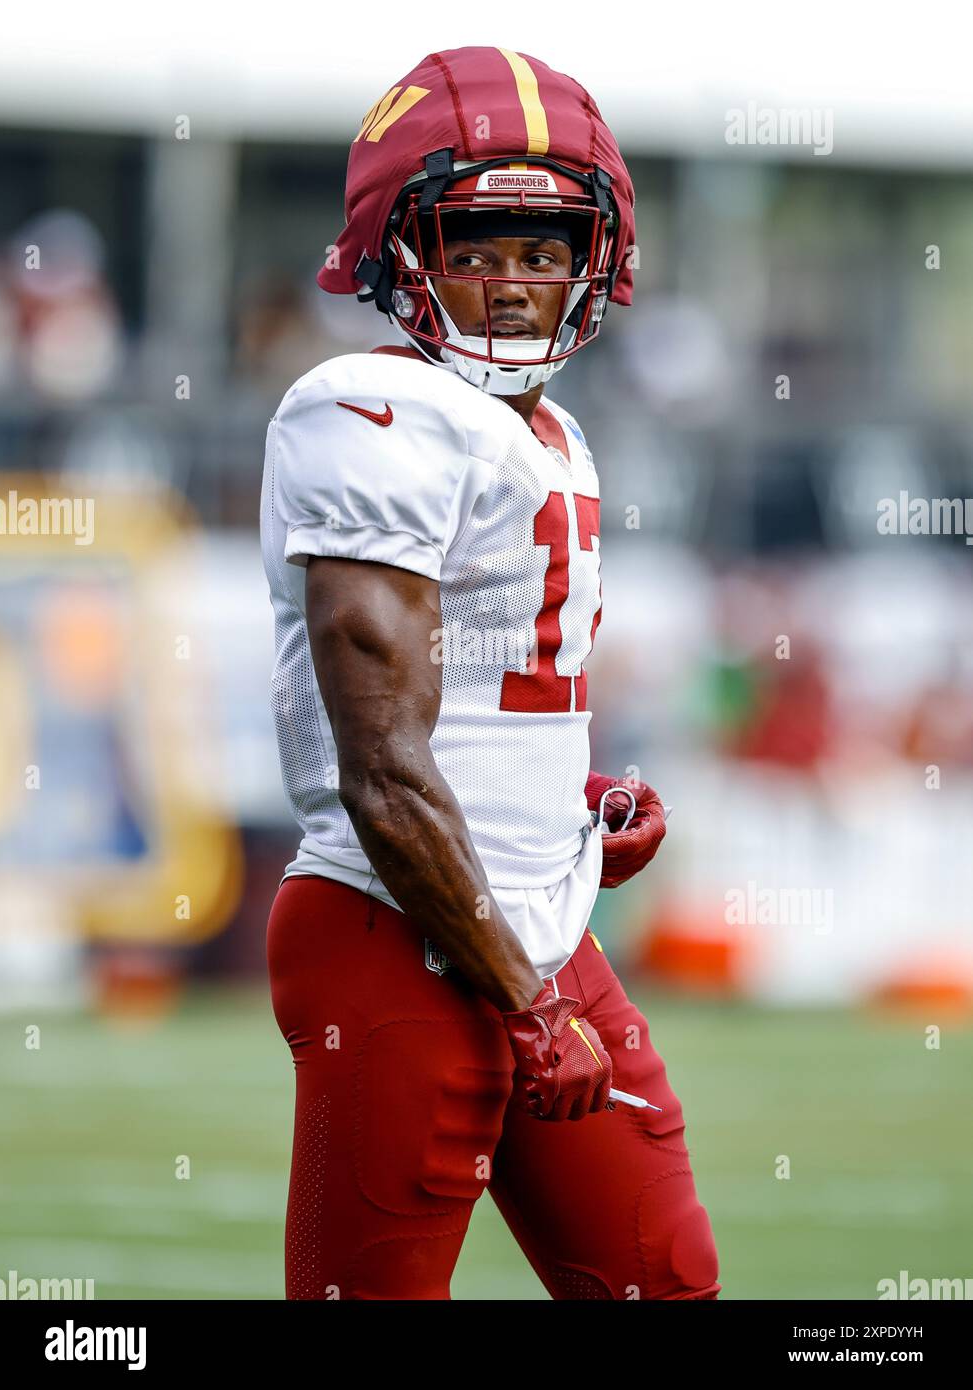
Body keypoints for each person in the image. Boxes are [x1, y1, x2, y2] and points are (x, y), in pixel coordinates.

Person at [261, 45, 720, 1301]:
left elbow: (484, 712)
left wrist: (574, 817)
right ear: (401, 253)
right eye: (475, 247)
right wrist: (525, 1001)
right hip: (395, 924)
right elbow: (384, 770)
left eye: (543, 248)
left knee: (662, 1277)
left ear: (596, 257)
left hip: (535, 925)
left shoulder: (557, 433)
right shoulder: (366, 409)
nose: (513, 286)